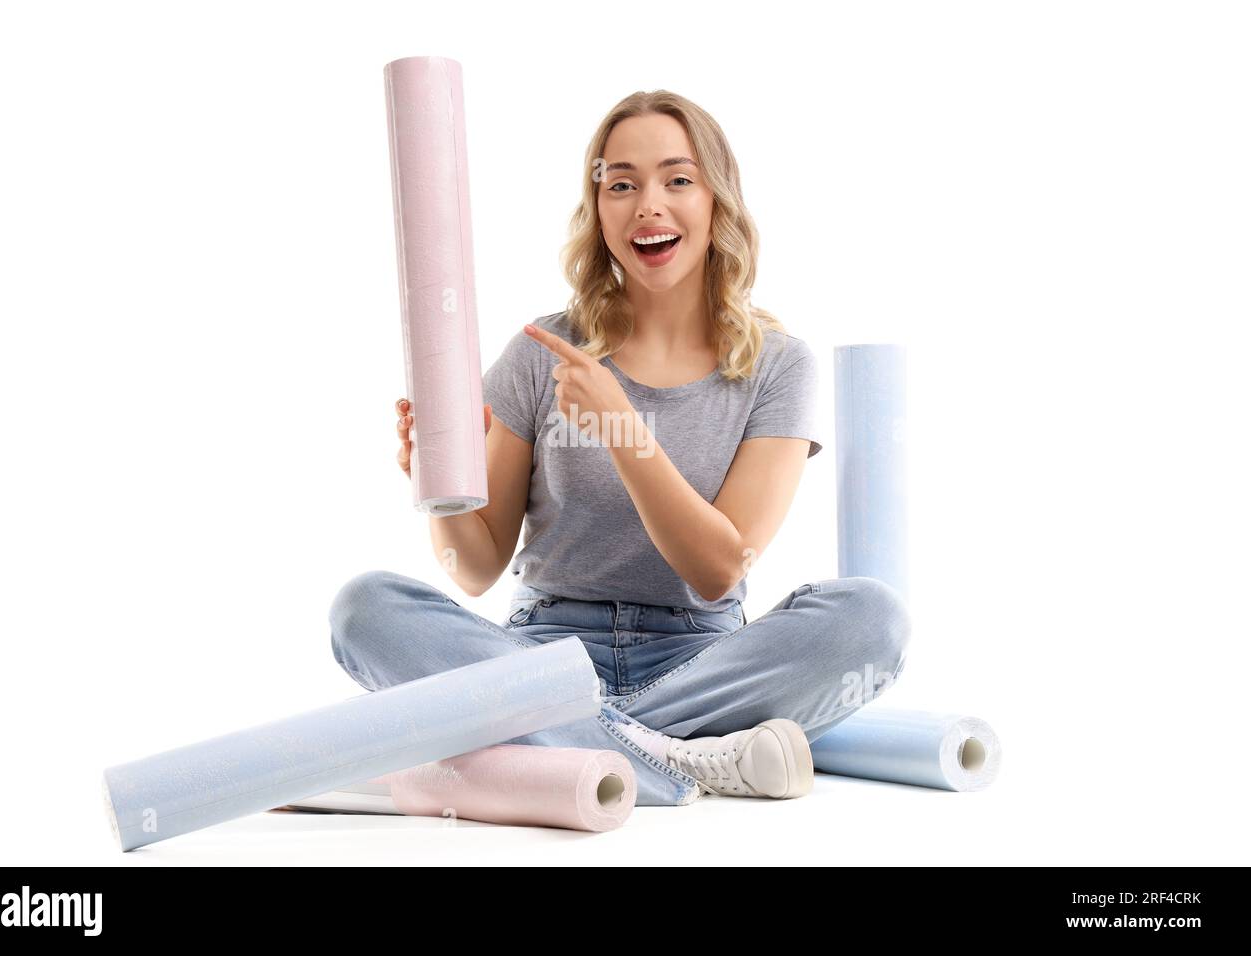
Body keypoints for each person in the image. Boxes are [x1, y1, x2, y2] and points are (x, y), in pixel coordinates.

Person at [330, 90, 911, 806]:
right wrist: (435, 486)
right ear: (597, 207)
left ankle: (567, 751)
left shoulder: (779, 365)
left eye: (677, 179)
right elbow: (475, 568)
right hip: (539, 658)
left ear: (716, 201)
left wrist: (625, 434)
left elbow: (719, 568)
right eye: (622, 184)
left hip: (699, 662)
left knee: (873, 617)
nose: (648, 205)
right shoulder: (542, 351)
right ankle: (674, 757)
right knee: (364, 610)